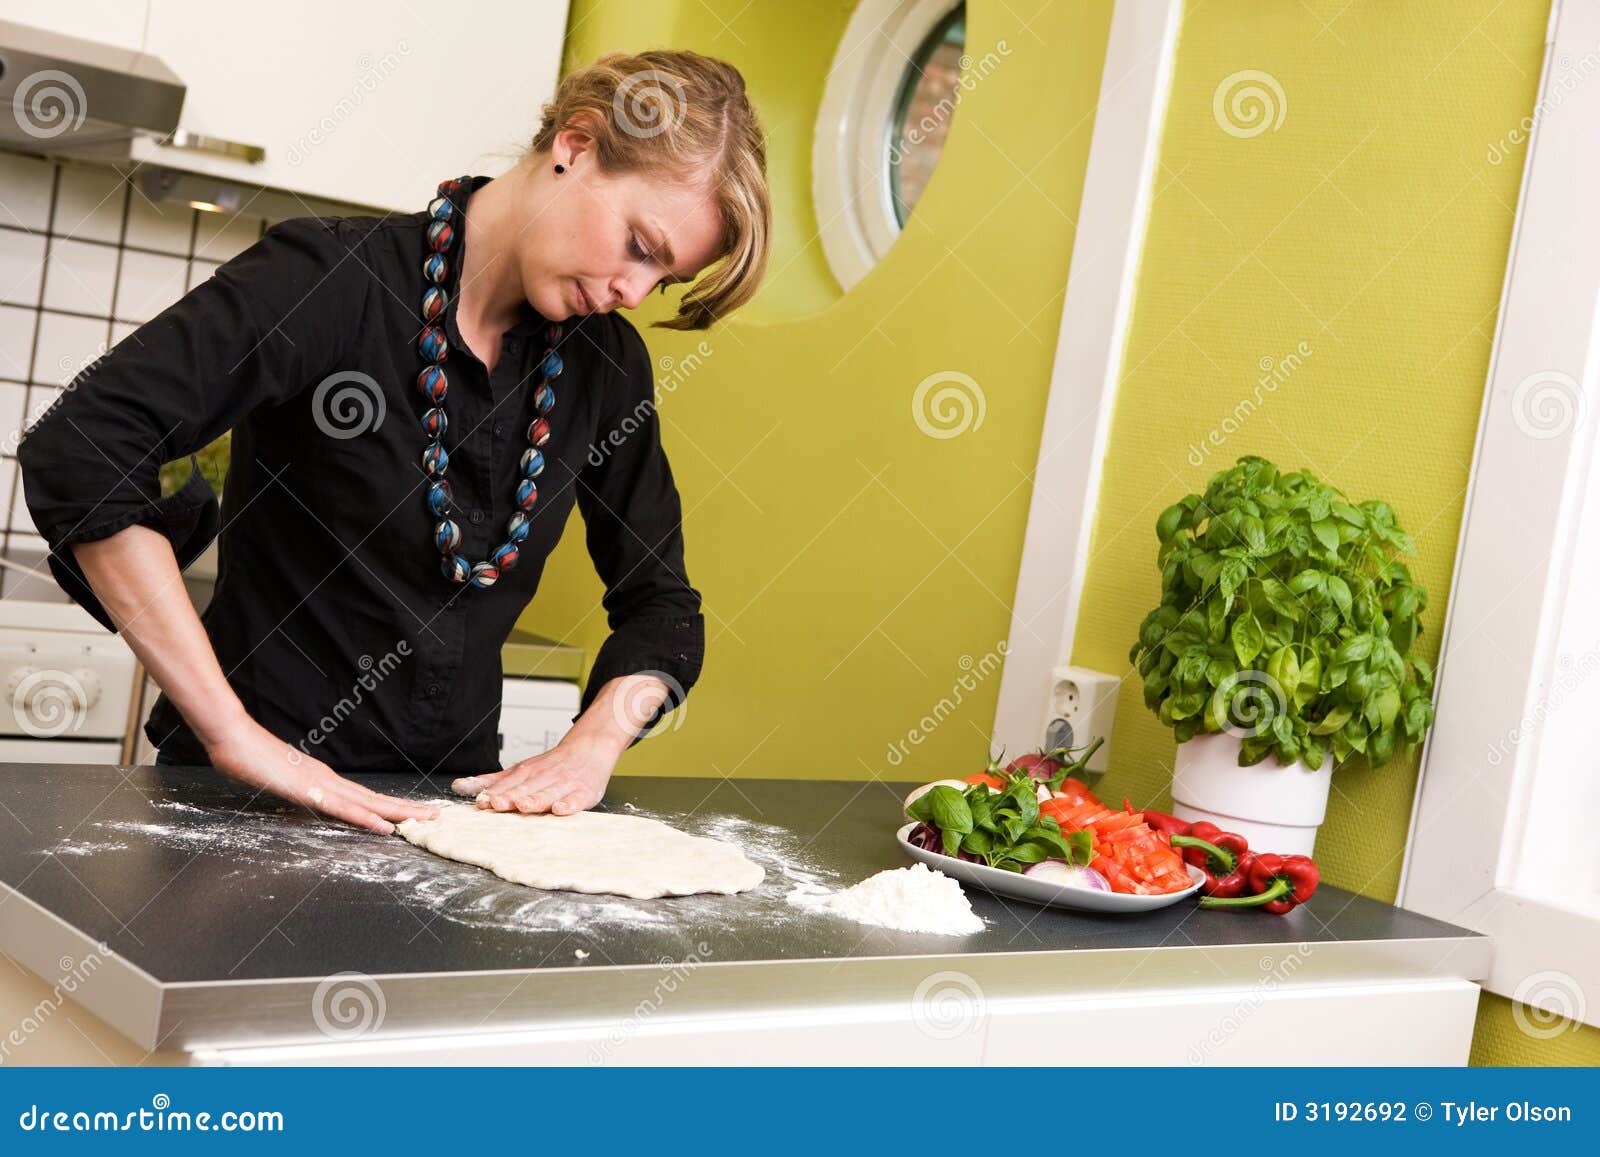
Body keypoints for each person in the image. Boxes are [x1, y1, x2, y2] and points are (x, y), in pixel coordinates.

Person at [16, 50, 771, 834]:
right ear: (574, 147)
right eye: (641, 247)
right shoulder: (328, 279)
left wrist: (595, 741)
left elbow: (663, 607)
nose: (634, 293)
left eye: (664, 280)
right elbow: (81, 444)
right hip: (237, 810)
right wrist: (234, 736)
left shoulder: (606, 365)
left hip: (446, 824)